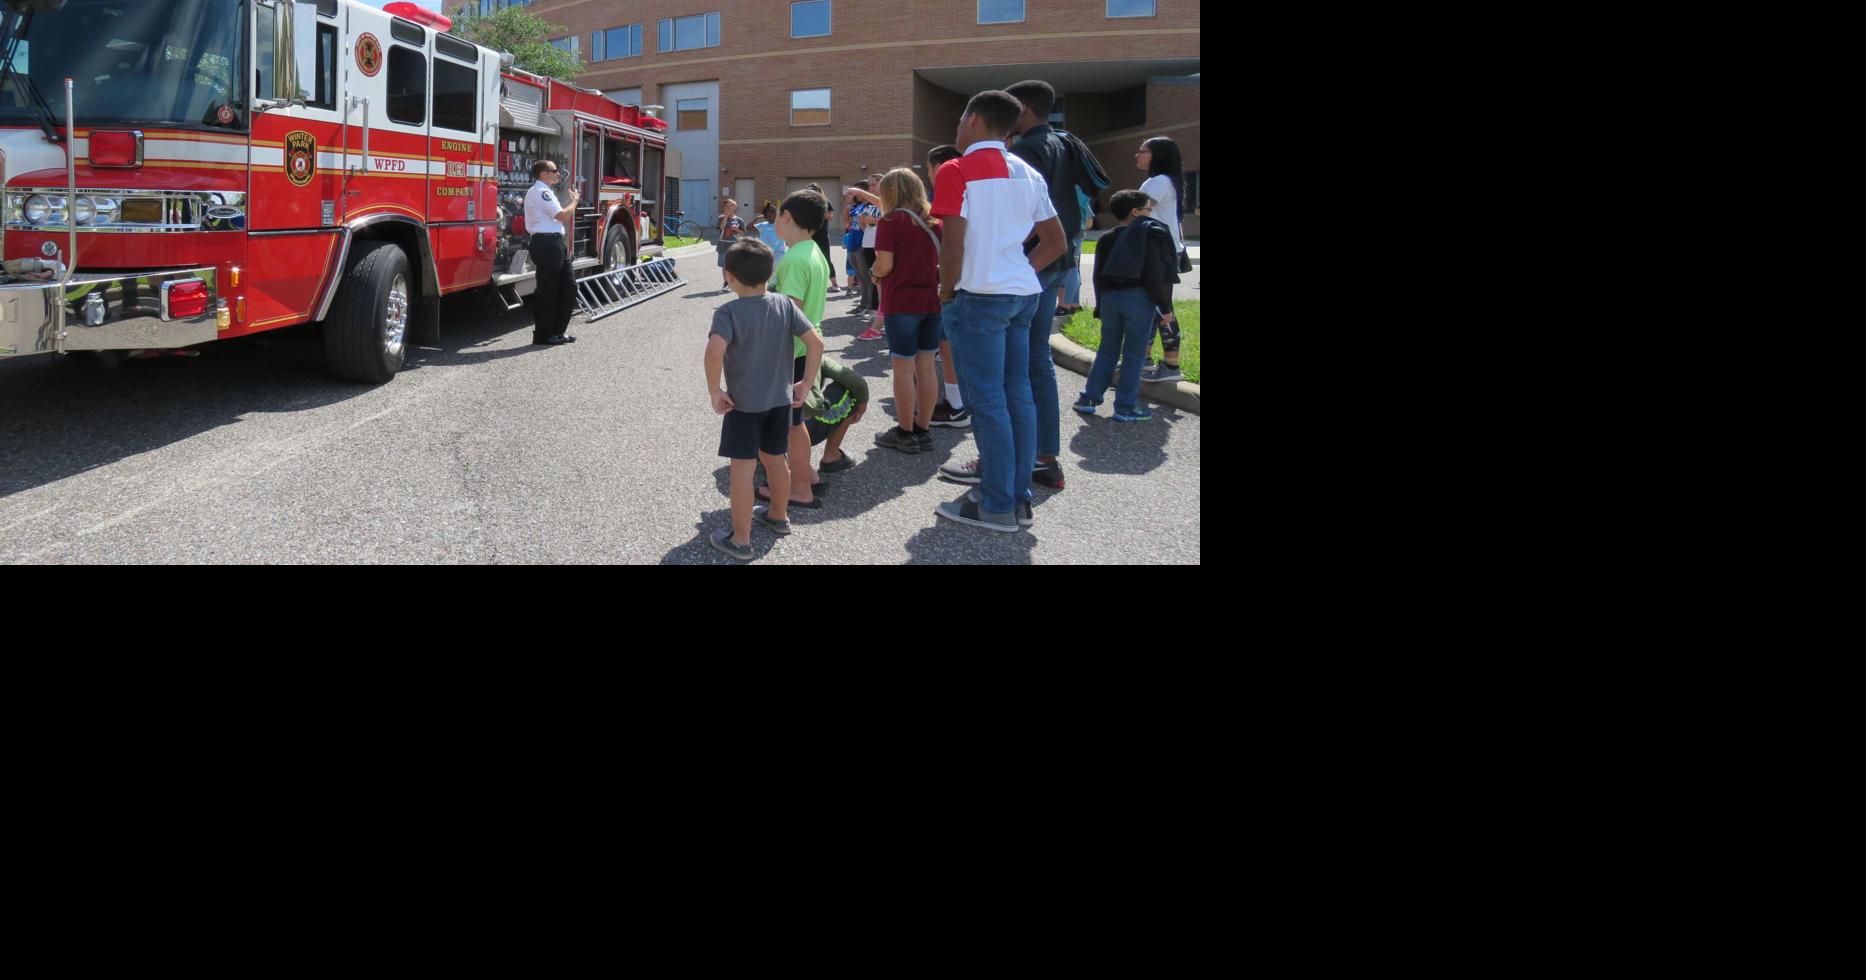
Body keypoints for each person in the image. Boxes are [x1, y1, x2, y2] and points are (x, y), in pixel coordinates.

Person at [930, 90, 1066, 533]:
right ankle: (1016, 495)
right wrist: (1016, 272)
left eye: (959, 118)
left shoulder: (956, 169)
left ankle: (996, 503)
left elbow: (952, 248)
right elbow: (1056, 242)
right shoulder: (1026, 171)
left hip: (978, 298)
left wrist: (946, 291)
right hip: (1021, 294)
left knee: (988, 401)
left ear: (972, 119)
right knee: (1016, 395)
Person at [1005, 78, 1105, 491]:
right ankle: (1045, 457)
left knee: (1015, 365)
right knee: (1036, 361)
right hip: (1057, 259)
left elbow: (1018, 215)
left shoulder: (1027, 150)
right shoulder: (1065, 141)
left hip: (1032, 262)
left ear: (1024, 108)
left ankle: (1016, 460)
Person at [704, 238, 823, 560]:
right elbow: (815, 343)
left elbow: (715, 351)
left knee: (742, 470)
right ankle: (778, 516)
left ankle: (741, 540)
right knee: (775, 459)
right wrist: (806, 383)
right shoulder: (785, 304)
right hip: (780, 401)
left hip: (743, 405)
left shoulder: (728, 312)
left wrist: (716, 390)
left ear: (729, 276)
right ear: (770, 273)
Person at [759, 189, 834, 511]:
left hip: (789, 352)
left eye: (777, 214)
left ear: (786, 216)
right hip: (805, 349)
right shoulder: (814, 252)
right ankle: (806, 475)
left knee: (790, 424)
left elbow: (788, 313)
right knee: (795, 421)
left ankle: (799, 487)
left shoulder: (793, 259)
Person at [1074, 190, 1176, 423]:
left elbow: (1098, 275)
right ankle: (1125, 406)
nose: (1150, 214)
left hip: (1110, 298)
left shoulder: (1107, 238)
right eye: (1148, 209)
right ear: (1136, 212)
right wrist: (1164, 306)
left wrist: (1100, 303)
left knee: (1107, 349)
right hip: (1139, 299)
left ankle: (1089, 398)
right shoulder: (1148, 235)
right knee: (1134, 355)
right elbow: (1153, 274)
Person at [869, 168, 942, 455]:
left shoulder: (890, 221)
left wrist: (875, 273)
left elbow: (884, 265)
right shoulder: (935, 222)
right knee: (926, 366)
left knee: (902, 368)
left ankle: (904, 431)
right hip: (931, 301)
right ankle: (923, 428)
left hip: (902, 302)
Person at [923, 144, 971, 429]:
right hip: (978, 280)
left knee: (948, 343)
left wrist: (945, 289)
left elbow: (952, 245)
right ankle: (958, 401)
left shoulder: (951, 189)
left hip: (957, 282)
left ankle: (956, 405)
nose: (929, 176)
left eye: (929, 169)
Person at [1137, 136, 1187, 383]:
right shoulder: (1167, 181)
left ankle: (1171, 365)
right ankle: (1143, 362)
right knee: (1154, 305)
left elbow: (1138, 211)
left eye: (1142, 151)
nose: (1137, 155)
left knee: (1161, 306)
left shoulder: (1158, 182)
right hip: (1164, 250)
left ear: (1156, 155)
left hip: (1158, 252)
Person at [523, 159, 579, 346]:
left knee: (569, 287)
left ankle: (557, 332)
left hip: (554, 242)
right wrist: (575, 202)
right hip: (546, 244)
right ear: (544, 174)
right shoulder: (541, 192)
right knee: (548, 291)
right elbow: (562, 216)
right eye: (554, 170)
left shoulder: (545, 191)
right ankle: (543, 334)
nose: (558, 173)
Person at [807, 356, 869, 474]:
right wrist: (862, 407)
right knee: (849, 388)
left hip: (766, 433)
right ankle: (831, 456)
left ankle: (772, 458)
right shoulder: (811, 352)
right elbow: (858, 383)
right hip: (799, 430)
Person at [716, 198, 747, 291]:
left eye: (731, 206)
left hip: (734, 245)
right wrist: (726, 216)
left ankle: (733, 282)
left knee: (733, 266)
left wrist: (736, 229)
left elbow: (743, 233)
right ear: (724, 207)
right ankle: (726, 283)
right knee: (724, 265)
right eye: (727, 206)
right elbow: (721, 228)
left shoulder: (739, 220)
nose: (729, 208)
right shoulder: (721, 218)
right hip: (723, 244)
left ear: (735, 207)